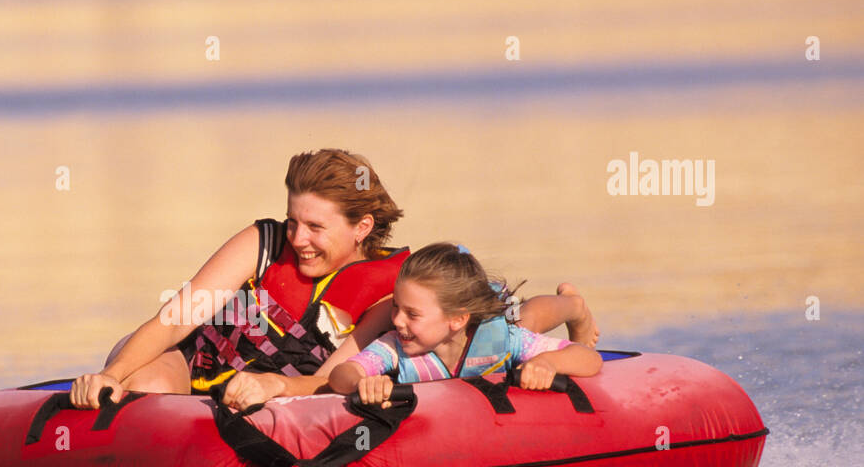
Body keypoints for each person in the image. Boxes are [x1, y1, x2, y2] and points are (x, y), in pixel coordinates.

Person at [71, 149, 599, 412]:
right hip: (201, 365)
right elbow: (172, 321)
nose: (297, 238)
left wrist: (276, 387)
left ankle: (573, 307)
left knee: (508, 319)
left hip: (290, 384)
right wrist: (114, 374)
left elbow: (333, 377)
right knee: (140, 389)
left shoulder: (391, 287)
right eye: (293, 220)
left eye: (316, 227)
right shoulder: (261, 242)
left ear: (361, 228)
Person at [329, 242, 602, 408]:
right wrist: (362, 383)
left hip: (500, 322)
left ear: (458, 319)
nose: (398, 321)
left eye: (412, 314)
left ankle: (572, 304)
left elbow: (589, 359)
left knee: (523, 319)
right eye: (396, 308)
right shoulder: (392, 346)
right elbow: (341, 374)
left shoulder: (505, 340)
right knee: (522, 319)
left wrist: (549, 364)